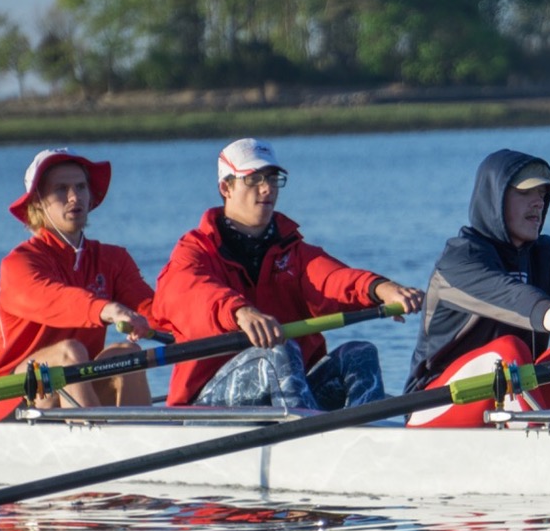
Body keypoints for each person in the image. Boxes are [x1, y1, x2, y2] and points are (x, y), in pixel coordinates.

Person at [153, 137, 424, 409]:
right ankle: (305, 438)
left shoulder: (292, 251)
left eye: (272, 179)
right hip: (207, 407)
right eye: (254, 179)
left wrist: (380, 289)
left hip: (285, 388)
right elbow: (187, 292)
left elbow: (332, 278)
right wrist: (239, 312)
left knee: (361, 353)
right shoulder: (194, 250)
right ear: (226, 187)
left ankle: (370, 438)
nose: (267, 188)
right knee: (277, 350)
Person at [404, 149, 550, 427]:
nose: (538, 203)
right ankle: (533, 441)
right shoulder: (460, 260)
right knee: (508, 351)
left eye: (543, 194)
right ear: (495, 198)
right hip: (435, 405)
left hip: (509, 395)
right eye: (525, 193)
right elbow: (514, 296)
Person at [0, 148, 155, 422]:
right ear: (37, 202)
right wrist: (107, 310)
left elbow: (158, 311)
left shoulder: (113, 259)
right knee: (71, 352)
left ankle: (144, 439)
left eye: (81, 187)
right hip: (6, 395)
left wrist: (231, 315)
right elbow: (54, 300)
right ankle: (94, 439)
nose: (75, 197)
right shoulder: (18, 264)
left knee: (127, 354)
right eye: (61, 189)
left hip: (72, 384)